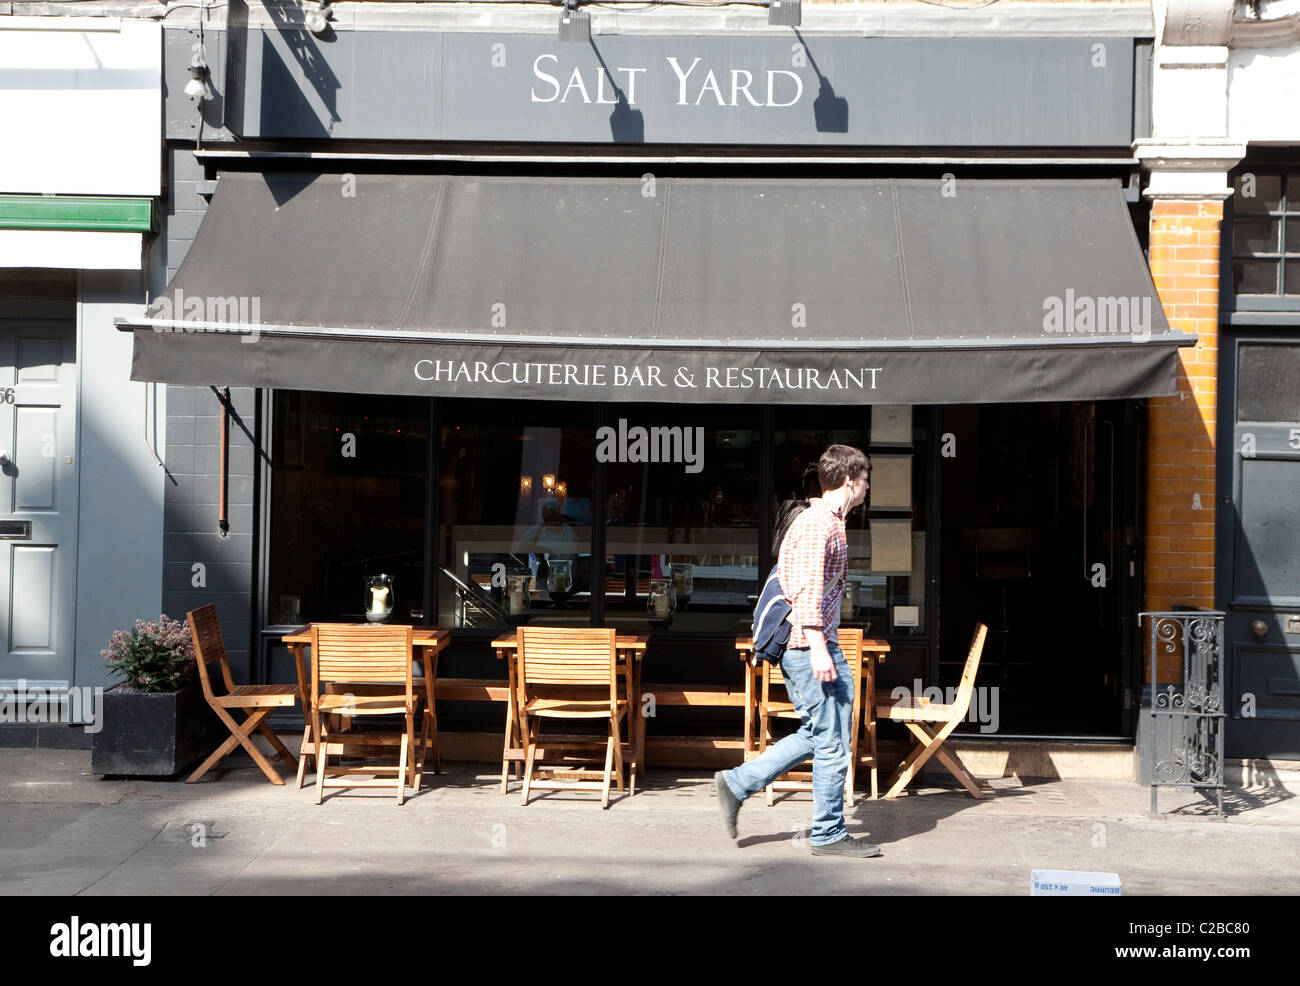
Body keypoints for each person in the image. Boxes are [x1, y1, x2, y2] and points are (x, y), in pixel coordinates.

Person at [715, 444, 881, 857]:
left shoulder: (829, 521)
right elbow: (807, 592)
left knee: (824, 734)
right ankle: (827, 833)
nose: (866, 488)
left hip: (816, 643)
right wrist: (820, 648)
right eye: (864, 481)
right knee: (832, 742)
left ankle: (737, 783)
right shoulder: (816, 525)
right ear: (849, 481)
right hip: (808, 646)